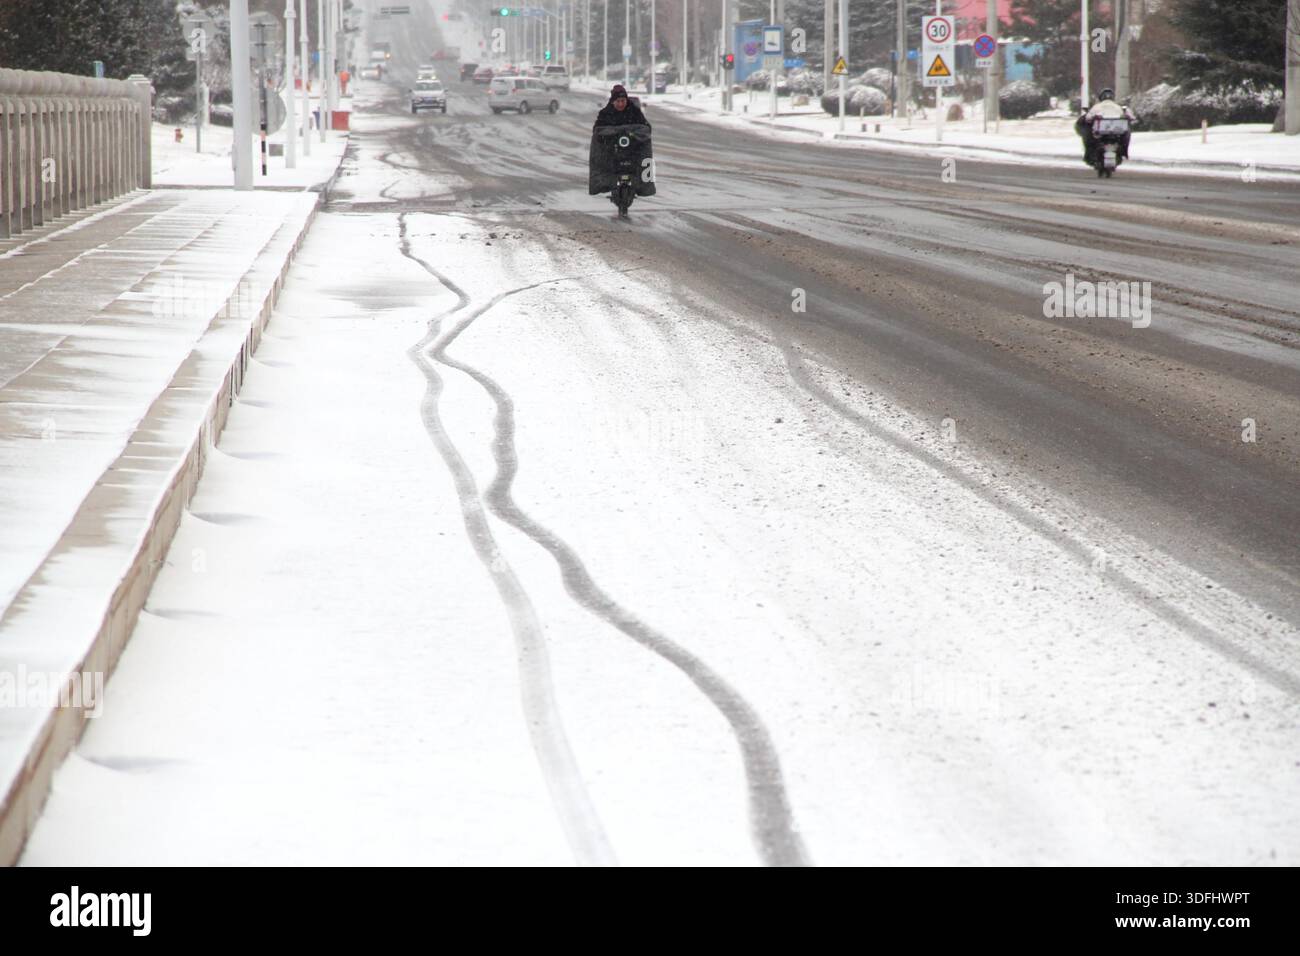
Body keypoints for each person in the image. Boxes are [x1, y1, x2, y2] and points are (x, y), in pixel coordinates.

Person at [1076, 88, 1136, 164]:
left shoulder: (1097, 107)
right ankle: (1124, 153)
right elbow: (1132, 117)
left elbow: (1088, 118)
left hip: (1101, 135)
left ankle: (1090, 156)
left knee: (1089, 139)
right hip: (1117, 134)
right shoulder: (1119, 107)